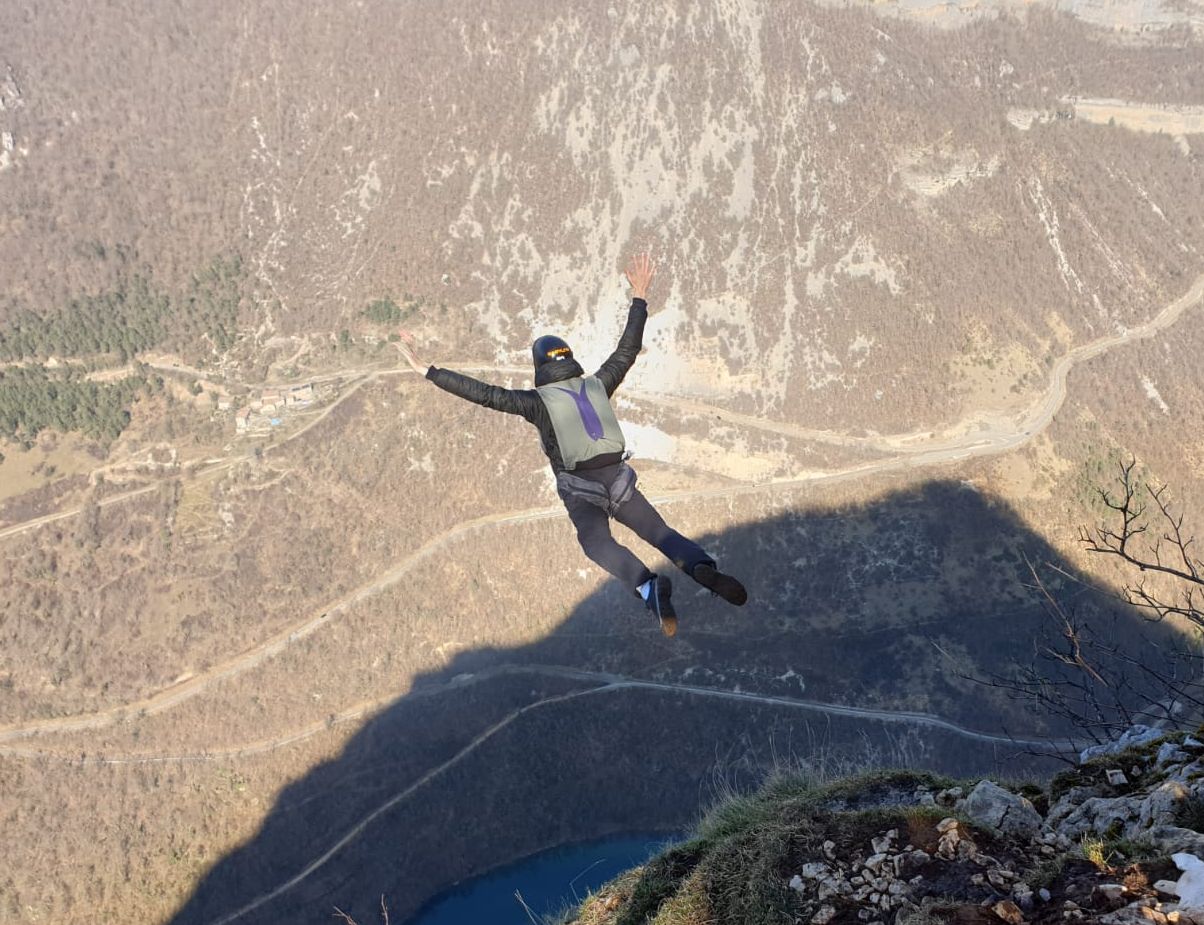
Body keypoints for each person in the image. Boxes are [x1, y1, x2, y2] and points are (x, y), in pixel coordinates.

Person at [398, 254, 747, 636]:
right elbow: (626, 351)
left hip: (581, 489)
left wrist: (428, 371)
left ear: (540, 368)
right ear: (570, 362)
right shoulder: (599, 383)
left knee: (596, 543)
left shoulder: (535, 402)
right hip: (619, 478)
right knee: (661, 533)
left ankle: (649, 586)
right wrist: (639, 296)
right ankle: (702, 569)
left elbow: (484, 394)